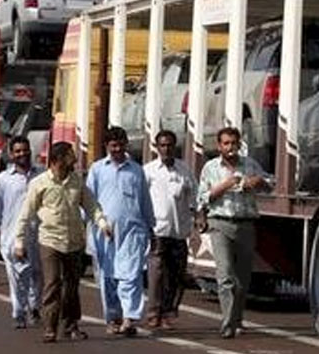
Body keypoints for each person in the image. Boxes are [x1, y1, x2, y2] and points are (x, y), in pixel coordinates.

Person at [14, 142, 112, 343]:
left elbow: (91, 205)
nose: (74, 160)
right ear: (57, 160)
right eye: (70, 156)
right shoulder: (40, 183)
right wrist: (19, 241)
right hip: (50, 240)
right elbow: (26, 214)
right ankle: (50, 327)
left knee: (72, 286)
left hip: (74, 242)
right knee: (52, 284)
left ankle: (71, 325)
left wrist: (102, 223)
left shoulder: (76, 181)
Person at [197, 127, 269, 339]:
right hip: (220, 224)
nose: (230, 148)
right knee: (226, 276)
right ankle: (227, 325)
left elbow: (268, 184)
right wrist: (226, 185)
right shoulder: (211, 168)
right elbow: (202, 197)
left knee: (242, 280)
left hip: (245, 225)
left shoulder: (250, 165)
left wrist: (257, 182)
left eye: (234, 143)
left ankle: (236, 319)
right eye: (226, 143)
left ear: (239, 145)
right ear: (219, 146)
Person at [87, 126, 154, 336]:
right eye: (113, 146)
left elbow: (145, 200)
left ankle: (130, 318)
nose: (117, 149)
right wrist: (89, 225)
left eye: (120, 145)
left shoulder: (136, 170)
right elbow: (88, 201)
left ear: (126, 145)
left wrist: (150, 226)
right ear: (106, 146)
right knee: (108, 277)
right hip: (104, 232)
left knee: (131, 275)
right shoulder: (97, 169)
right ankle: (113, 317)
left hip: (133, 230)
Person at [0, 136, 43, 329]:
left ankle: (34, 307)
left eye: (25, 150)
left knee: (37, 274)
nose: (22, 154)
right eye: (18, 151)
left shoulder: (41, 175)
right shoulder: (4, 179)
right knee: (17, 276)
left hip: (39, 235)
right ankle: (18, 312)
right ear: (11, 154)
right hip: (12, 237)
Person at [143, 130, 197, 330]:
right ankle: (153, 313)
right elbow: (142, 199)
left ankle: (168, 313)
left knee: (176, 275)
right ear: (157, 148)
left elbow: (194, 197)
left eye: (169, 145)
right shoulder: (148, 171)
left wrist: (198, 217)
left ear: (175, 147)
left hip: (179, 231)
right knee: (156, 275)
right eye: (162, 145)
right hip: (157, 230)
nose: (166, 149)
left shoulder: (184, 170)